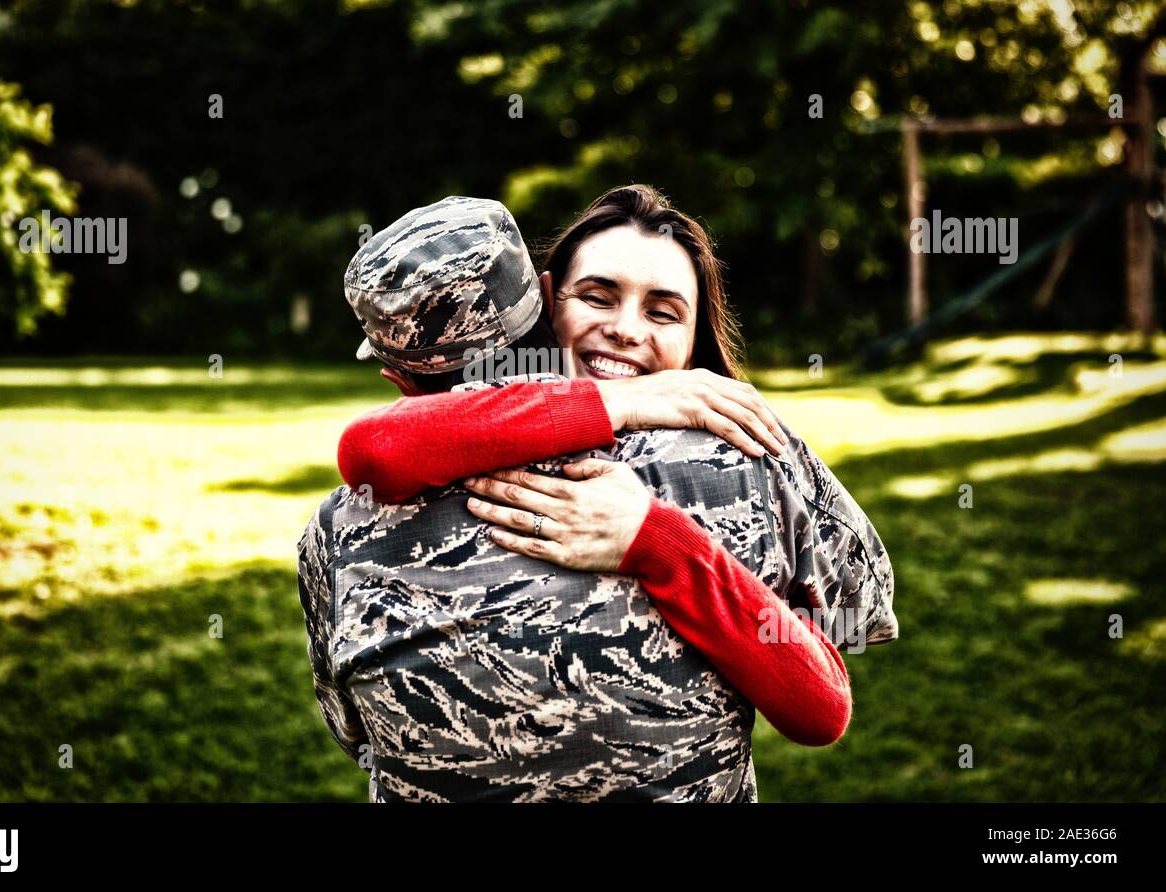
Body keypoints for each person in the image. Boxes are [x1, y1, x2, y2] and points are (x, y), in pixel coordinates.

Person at [297, 194, 896, 802]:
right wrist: (622, 405)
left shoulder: (341, 526)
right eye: (597, 297)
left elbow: (819, 700)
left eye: (663, 313)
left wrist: (655, 540)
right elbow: (373, 446)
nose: (626, 329)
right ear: (548, 298)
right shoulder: (748, 473)